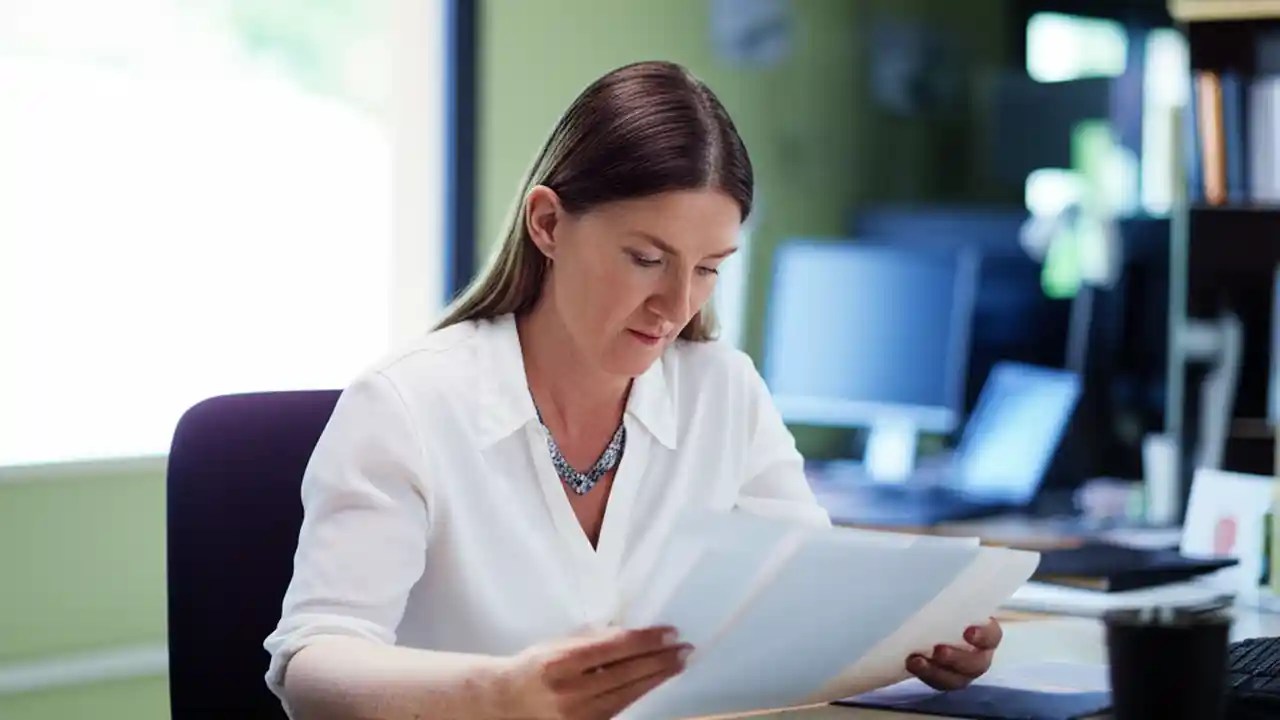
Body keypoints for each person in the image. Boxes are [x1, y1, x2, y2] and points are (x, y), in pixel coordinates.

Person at [265, 60, 1003, 720]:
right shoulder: (407, 406)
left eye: (710, 267)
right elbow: (313, 666)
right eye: (647, 258)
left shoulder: (725, 392)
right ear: (549, 224)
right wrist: (496, 694)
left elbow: (807, 598)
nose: (677, 303)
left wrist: (917, 638)